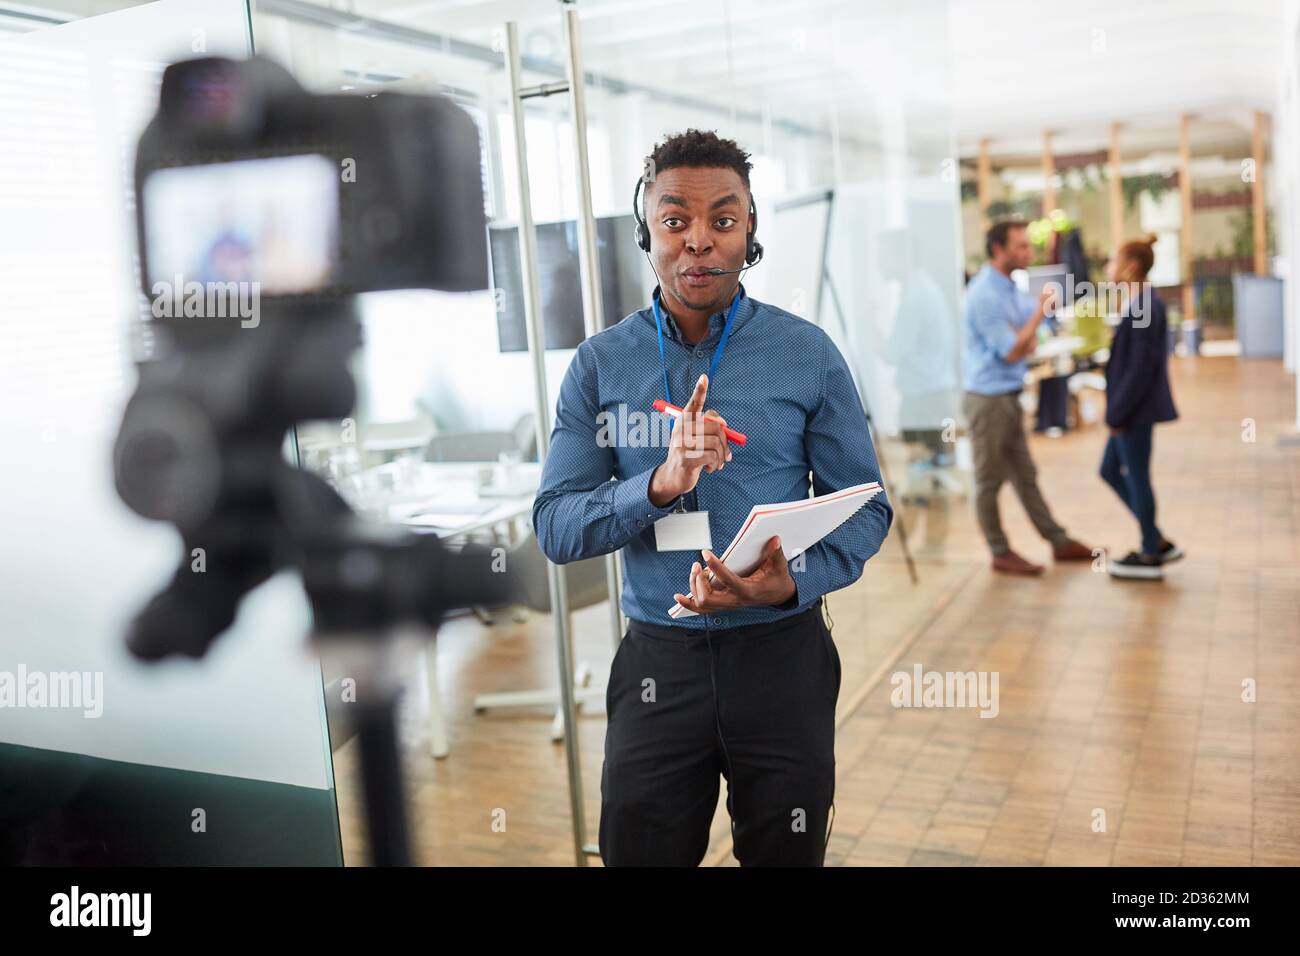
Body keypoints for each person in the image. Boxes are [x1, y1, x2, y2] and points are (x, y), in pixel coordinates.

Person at [532, 129, 893, 866]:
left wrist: (793, 579)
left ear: (749, 231)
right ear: (648, 233)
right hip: (659, 665)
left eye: (723, 221)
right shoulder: (600, 365)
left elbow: (868, 507)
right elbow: (556, 525)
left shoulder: (809, 354)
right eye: (675, 220)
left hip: (782, 656)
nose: (699, 241)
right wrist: (659, 485)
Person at [961, 219, 1093, 575]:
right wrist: (1038, 313)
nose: (1027, 252)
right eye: (1020, 246)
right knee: (989, 481)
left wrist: (1032, 325)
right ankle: (1000, 551)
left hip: (1008, 395)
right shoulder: (985, 294)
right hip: (988, 399)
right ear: (998, 250)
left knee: (1026, 474)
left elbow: (1031, 340)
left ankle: (1058, 541)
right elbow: (1012, 350)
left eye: (1027, 245)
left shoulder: (1009, 288)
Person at [1100, 235, 1180, 580]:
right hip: (1131, 408)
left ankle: (1150, 552)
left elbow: (1140, 367)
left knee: (1137, 476)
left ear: (1130, 266)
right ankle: (1155, 537)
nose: (1108, 267)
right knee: (1109, 470)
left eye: (1112, 260)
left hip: (1134, 410)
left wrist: (1118, 413)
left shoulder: (1145, 304)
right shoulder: (1138, 301)